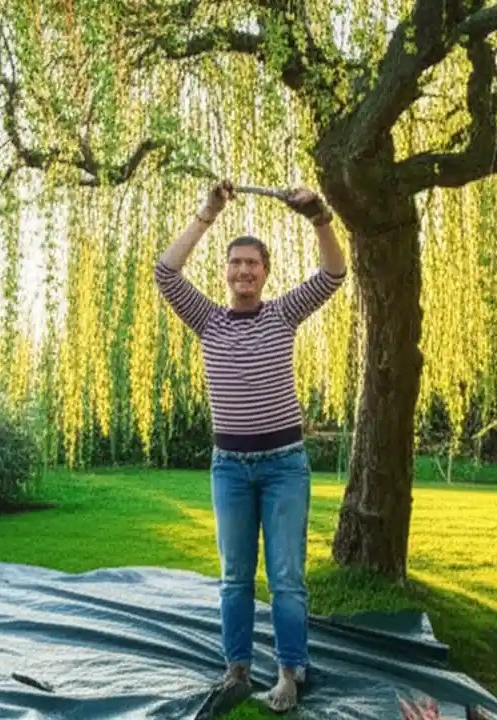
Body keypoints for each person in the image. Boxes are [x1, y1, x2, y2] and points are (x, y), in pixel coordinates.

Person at [153, 179, 347, 713]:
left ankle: (289, 673)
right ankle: (236, 669)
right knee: (235, 577)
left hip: (285, 466)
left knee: (286, 577)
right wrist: (207, 213)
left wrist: (319, 216)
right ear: (227, 272)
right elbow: (166, 272)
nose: (243, 271)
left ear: (265, 272)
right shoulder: (208, 320)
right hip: (230, 469)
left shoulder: (282, 314)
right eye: (235, 264)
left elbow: (334, 272)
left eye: (252, 264)